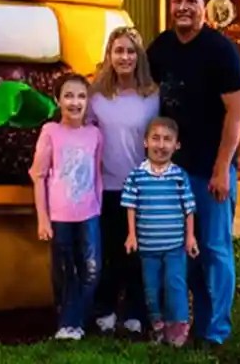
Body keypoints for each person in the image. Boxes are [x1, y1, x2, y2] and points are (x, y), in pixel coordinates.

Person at [146, 0, 240, 348]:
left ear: (204, 6)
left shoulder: (220, 51)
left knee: (215, 250)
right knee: (183, 251)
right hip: (174, 172)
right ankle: (188, 325)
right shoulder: (162, 48)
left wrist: (222, 169)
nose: (183, 8)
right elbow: (139, 90)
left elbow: (236, 113)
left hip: (210, 170)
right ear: (170, 6)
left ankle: (215, 331)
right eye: (177, 1)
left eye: (191, 1)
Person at [87, 26, 160, 336]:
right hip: (107, 187)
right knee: (110, 253)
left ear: (139, 56)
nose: (125, 57)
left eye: (130, 51)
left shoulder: (152, 96)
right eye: (118, 50)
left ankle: (134, 313)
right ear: (109, 55)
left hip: (142, 187)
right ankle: (104, 312)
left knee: (137, 255)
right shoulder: (96, 96)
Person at [29, 73, 104, 341]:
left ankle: (72, 322)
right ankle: (70, 323)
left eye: (81, 96)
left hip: (89, 213)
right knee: (64, 270)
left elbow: (96, 175)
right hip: (60, 215)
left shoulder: (94, 134)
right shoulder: (51, 132)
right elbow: (38, 175)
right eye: (69, 96)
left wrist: (99, 207)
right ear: (58, 100)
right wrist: (43, 218)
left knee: (92, 269)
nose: (75, 102)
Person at [121, 117, 199, 347]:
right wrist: (131, 235)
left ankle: (178, 329)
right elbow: (131, 206)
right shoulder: (136, 176)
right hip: (147, 247)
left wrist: (190, 237)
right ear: (145, 142)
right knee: (152, 288)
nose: (161, 145)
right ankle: (157, 326)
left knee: (175, 284)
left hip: (175, 246)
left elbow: (189, 208)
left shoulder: (179, 176)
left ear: (177, 145)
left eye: (168, 140)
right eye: (155, 138)